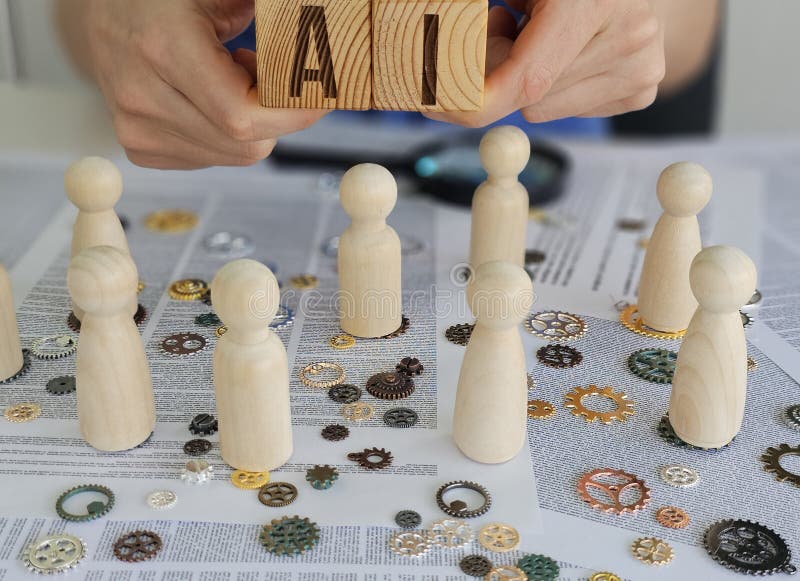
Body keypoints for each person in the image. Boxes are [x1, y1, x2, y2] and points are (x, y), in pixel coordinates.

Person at [57, 0, 719, 170]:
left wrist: (641, 19)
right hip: (225, 153)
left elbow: (689, 30)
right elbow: (83, 21)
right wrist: (106, 24)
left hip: (536, 164)